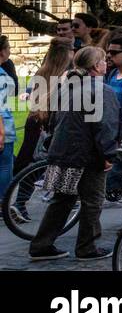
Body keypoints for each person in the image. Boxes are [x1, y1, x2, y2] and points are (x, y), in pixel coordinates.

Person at [29, 46, 120, 261]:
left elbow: (54, 120)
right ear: (96, 66)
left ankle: (41, 244)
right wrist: (110, 155)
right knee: (92, 201)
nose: (106, 63)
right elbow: (104, 126)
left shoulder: (67, 87)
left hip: (62, 152)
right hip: (86, 155)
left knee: (62, 200)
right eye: (103, 60)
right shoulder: (100, 90)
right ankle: (87, 248)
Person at [9, 39, 74, 224]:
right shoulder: (66, 76)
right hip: (51, 124)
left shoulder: (42, 71)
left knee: (34, 164)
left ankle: (20, 202)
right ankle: (32, 203)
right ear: (67, 53)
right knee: (47, 164)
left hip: (35, 121)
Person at [102, 28, 122, 200]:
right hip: (112, 130)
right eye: (108, 52)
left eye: (114, 52)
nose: (109, 55)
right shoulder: (112, 74)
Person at [0, 37, 15, 206]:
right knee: (4, 168)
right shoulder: (2, 77)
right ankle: (2, 203)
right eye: (8, 47)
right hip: (4, 128)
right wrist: (2, 132)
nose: (10, 51)